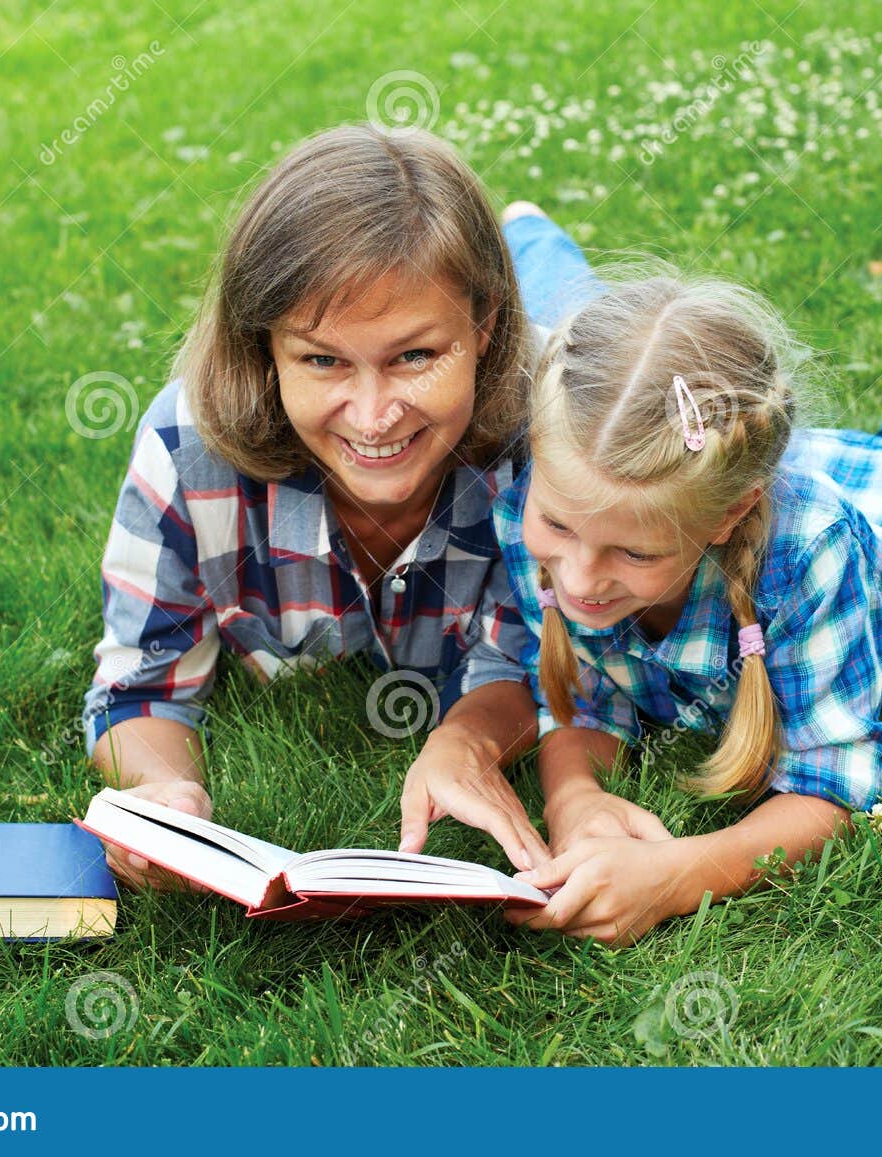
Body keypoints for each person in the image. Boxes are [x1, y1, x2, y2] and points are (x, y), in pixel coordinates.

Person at [491, 206, 882, 944]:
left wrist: (678, 875)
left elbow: (833, 789)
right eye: (558, 528)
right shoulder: (550, 498)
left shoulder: (808, 556)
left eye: (634, 554)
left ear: (726, 517)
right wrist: (574, 799)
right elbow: (579, 700)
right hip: (833, 467)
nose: (580, 576)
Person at [82, 125, 556, 888]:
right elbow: (140, 681)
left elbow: (547, 656)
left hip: (567, 337)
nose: (373, 418)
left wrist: (467, 737)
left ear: (485, 325)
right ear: (262, 347)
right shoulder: (185, 446)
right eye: (323, 359)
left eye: (414, 355)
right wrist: (163, 793)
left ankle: (530, 238)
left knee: (606, 328)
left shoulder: (551, 434)